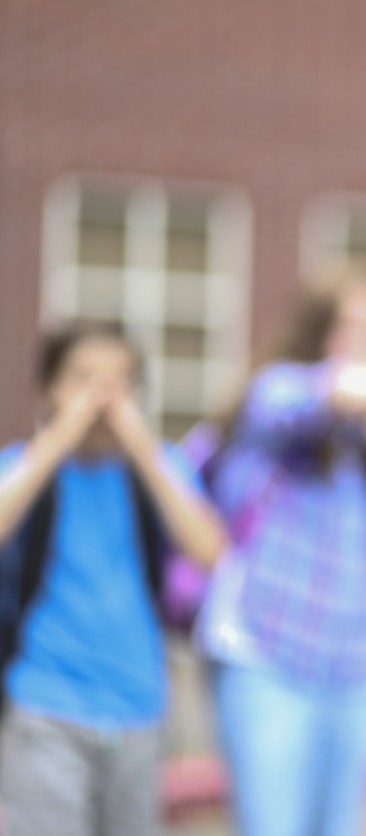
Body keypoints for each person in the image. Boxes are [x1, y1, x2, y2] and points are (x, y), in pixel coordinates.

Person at [193, 270, 366, 836]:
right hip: (265, 651)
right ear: (316, 334)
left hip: (355, 663)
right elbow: (281, 404)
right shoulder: (280, 393)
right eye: (350, 327)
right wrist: (342, 391)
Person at [0, 321, 227, 836]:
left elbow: (211, 551)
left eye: (119, 381)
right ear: (48, 389)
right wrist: (57, 439)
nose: (101, 398)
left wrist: (141, 447)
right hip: (46, 707)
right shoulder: (24, 468)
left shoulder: (160, 469)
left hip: (141, 711)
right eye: (83, 379)